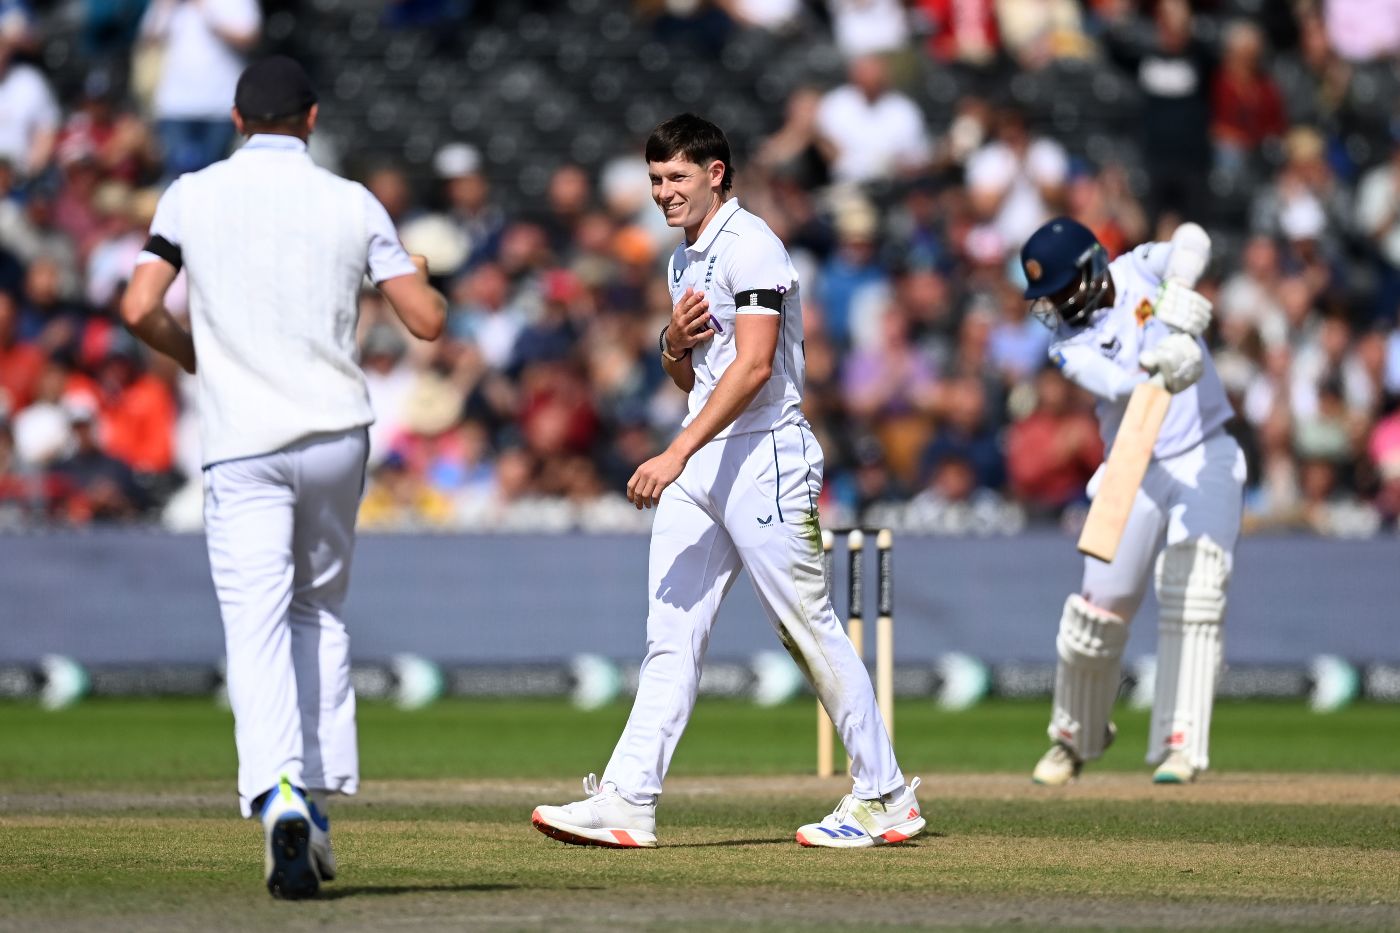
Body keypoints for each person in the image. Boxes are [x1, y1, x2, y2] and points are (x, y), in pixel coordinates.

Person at [530, 114, 923, 849]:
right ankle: (629, 798)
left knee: (805, 626)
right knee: (670, 632)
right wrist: (671, 343)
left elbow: (753, 366)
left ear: (715, 173)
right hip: (705, 455)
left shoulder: (753, 246)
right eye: (654, 180)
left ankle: (886, 794)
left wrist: (674, 450)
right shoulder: (684, 260)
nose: (663, 193)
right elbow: (695, 370)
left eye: (676, 177)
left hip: (765, 453)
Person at [120, 56, 445, 898]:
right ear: (309, 118)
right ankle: (321, 796)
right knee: (319, 612)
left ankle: (281, 795)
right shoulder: (350, 199)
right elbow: (426, 320)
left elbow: (137, 305)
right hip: (337, 432)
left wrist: (198, 355)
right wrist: (412, 262)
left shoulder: (191, 194)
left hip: (243, 438)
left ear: (234, 120)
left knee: (256, 621)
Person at [1019, 216, 1243, 786]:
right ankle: (1074, 739)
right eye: (1048, 297)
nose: (1059, 304)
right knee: (1097, 608)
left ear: (1092, 268)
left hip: (1203, 451)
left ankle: (1180, 745)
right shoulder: (1067, 345)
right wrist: (1162, 364)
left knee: (1195, 584)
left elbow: (1193, 239)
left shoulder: (1137, 268)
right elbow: (1120, 387)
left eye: (1064, 288)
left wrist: (1180, 305)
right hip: (1132, 465)